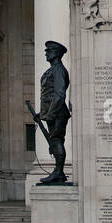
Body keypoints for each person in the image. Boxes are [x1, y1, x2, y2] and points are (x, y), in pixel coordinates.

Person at [37, 41, 71, 184]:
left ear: (56, 53)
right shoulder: (53, 70)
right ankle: (59, 172)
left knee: (57, 141)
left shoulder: (58, 70)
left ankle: (58, 172)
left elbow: (59, 94)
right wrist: (42, 113)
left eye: (49, 51)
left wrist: (50, 113)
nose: (46, 53)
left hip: (57, 113)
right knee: (55, 141)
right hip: (53, 112)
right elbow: (48, 95)